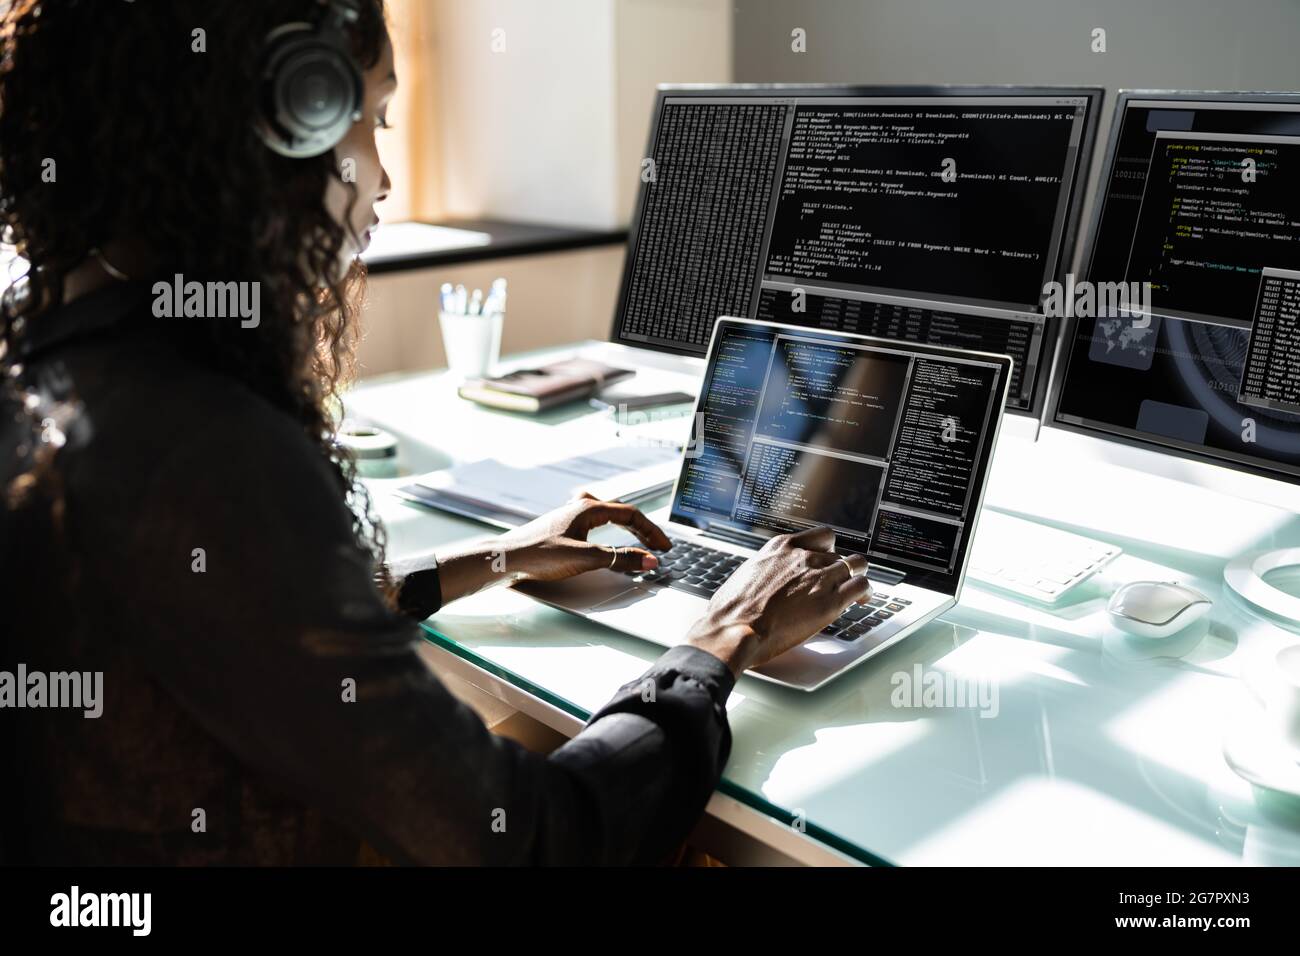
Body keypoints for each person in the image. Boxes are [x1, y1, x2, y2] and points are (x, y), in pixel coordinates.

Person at [0, 0, 871, 865]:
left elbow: (246, 625)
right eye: (374, 119)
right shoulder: (202, 452)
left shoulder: (43, 356)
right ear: (276, 127)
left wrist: (495, 560)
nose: (383, 179)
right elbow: (534, 841)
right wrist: (729, 630)